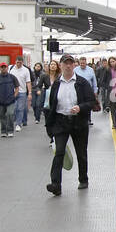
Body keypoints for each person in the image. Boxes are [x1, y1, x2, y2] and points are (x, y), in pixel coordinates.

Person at [45, 54, 96, 195]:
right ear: (60, 65)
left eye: (70, 63)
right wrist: (50, 125)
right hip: (61, 122)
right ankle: (56, 184)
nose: (68, 65)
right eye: (65, 63)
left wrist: (80, 107)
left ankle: (83, 179)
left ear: (74, 65)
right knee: (59, 152)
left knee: (81, 152)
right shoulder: (56, 84)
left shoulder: (82, 83)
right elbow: (52, 104)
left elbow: (91, 101)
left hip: (78, 121)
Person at [0, 62, 20, 137]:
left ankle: (10, 131)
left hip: (10, 100)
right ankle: (3, 131)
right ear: (0, 68)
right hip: (0, 101)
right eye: (2, 67)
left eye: (5, 67)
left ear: (7, 68)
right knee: (2, 116)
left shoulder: (12, 77)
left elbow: (17, 87)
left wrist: (14, 95)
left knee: (10, 114)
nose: (3, 68)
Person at [8, 57, 32, 129]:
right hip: (12, 91)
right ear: (15, 62)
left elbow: (28, 82)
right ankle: (15, 121)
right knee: (14, 108)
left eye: (20, 63)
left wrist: (30, 93)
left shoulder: (25, 70)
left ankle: (18, 124)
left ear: (22, 63)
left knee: (20, 108)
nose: (18, 64)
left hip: (22, 92)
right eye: (17, 62)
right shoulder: (10, 68)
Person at [30, 60, 51, 129]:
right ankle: (36, 114)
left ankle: (37, 118)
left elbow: (46, 83)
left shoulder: (43, 74)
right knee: (33, 104)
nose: (37, 67)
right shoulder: (32, 74)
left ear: (41, 67)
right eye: (36, 66)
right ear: (34, 67)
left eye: (39, 66)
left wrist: (42, 88)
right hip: (33, 89)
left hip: (40, 90)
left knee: (38, 104)